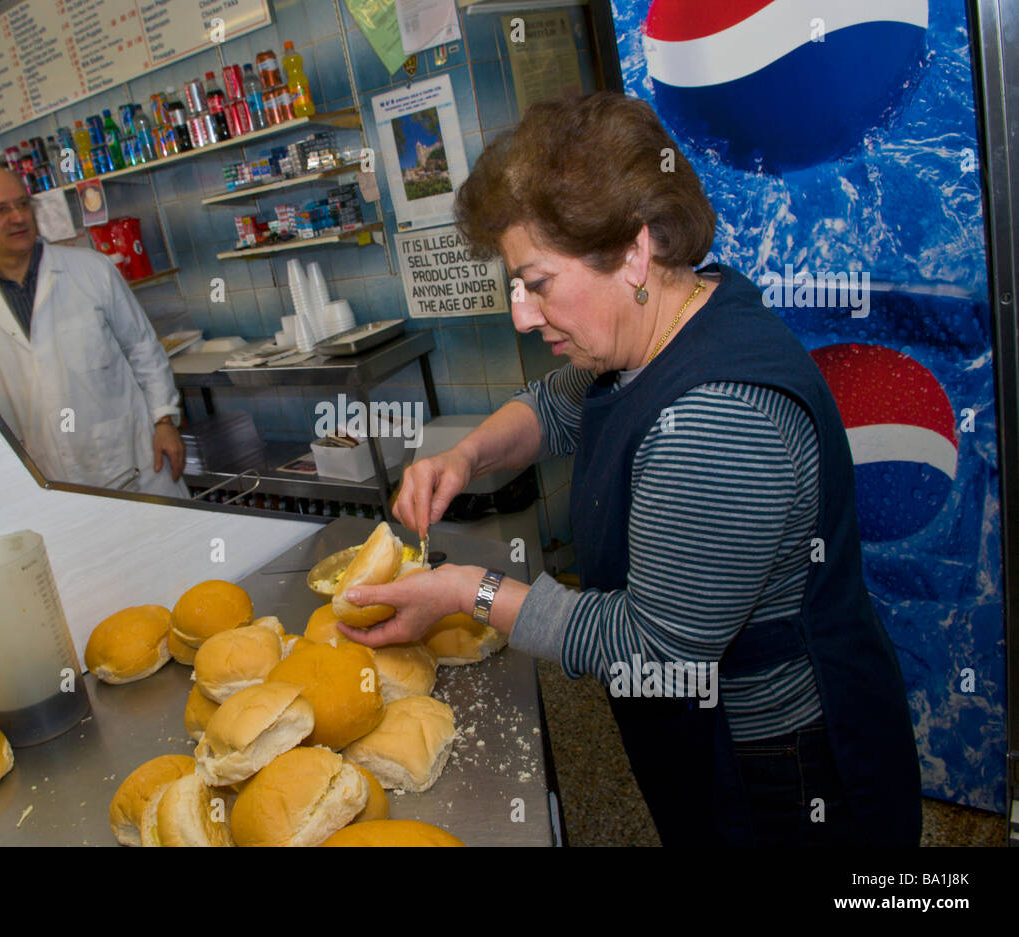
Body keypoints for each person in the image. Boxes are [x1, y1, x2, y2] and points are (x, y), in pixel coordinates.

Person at [337, 92, 922, 846]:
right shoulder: (666, 317)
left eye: (538, 282)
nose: (521, 313)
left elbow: (653, 647)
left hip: (782, 762)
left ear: (636, 251)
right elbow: (556, 406)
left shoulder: (717, 418)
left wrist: (467, 591)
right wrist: (465, 453)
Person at [0, 167, 187, 498]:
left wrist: (164, 421)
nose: (17, 218)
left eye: (23, 204)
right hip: (44, 476)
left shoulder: (91, 269)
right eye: (1, 210)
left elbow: (142, 346)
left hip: (134, 459)